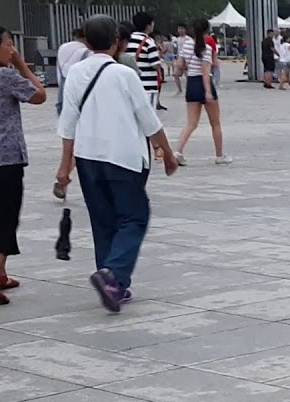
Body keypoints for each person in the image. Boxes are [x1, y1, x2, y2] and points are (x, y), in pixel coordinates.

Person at [56, 14, 177, 313]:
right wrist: (168, 153)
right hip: (121, 157)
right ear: (115, 42)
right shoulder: (124, 74)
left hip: (87, 158)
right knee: (134, 217)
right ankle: (112, 277)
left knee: (103, 219)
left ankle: (114, 282)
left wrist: (64, 168)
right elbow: (148, 119)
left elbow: (67, 123)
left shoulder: (75, 73)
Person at [0, 23, 46, 305]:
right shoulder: (1, 76)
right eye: (8, 45)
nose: (12, 50)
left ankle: (1, 272)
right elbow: (39, 94)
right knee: (6, 216)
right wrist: (20, 64)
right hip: (2, 159)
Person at [173, 18, 229, 166]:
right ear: (207, 30)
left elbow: (180, 64)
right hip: (204, 83)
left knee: (191, 123)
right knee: (215, 122)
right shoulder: (207, 48)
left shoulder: (186, 45)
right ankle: (219, 155)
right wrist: (208, 92)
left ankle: (178, 152)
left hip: (191, 83)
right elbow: (206, 71)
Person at [126, 12, 160, 109]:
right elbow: (155, 64)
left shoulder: (128, 39)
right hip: (148, 85)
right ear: (148, 26)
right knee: (149, 116)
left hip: (131, 84)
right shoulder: (148, 41)